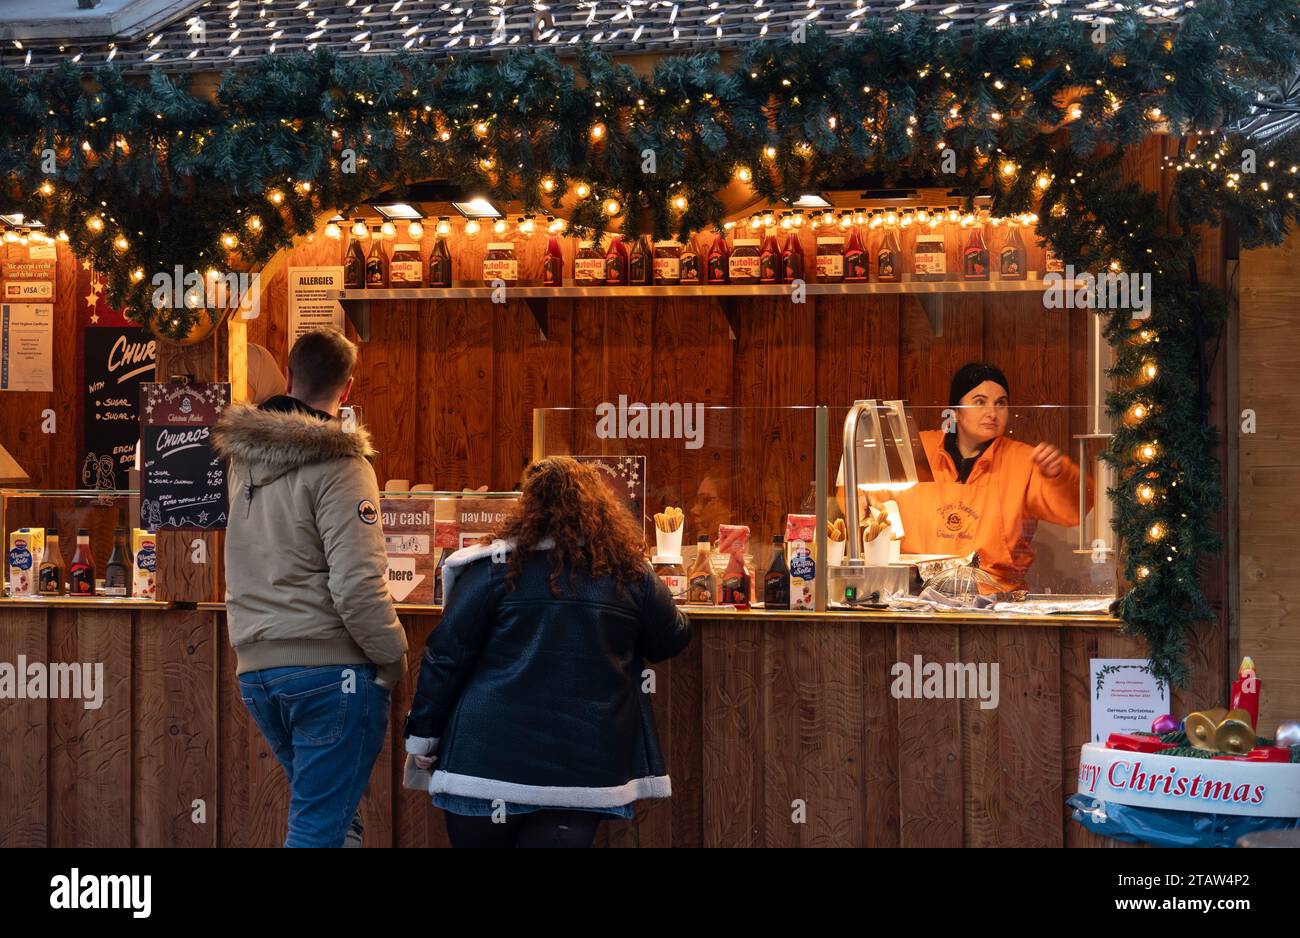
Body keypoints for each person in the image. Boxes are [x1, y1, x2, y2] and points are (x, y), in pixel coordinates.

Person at [403, 455, 692, 848]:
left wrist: (424, 736)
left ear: (526, 506)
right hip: (577, 768)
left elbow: (445, 656)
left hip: (484, 762)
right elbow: (670, 639)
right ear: (598, 506)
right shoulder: (630, 573)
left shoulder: (492, 567)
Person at [212, 327, 407, 848]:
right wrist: (393, 658)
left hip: (258, 672)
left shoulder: (241, 461)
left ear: (291, 376)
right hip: (330, 673)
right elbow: (359, 586)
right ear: (346, 390)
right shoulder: (344, 465)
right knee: (320, 829)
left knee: (335, 821)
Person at [839, 362, 1089, 592]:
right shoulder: (917, 449)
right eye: (980, 402)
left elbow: (1074, 511)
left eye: (1001, 403)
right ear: (955, 411)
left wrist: (1059, 475)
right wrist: (853, 500)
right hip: (915, 593)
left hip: (995, 596)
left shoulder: (1024, 460)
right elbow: (855, 485)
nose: (992, 412)